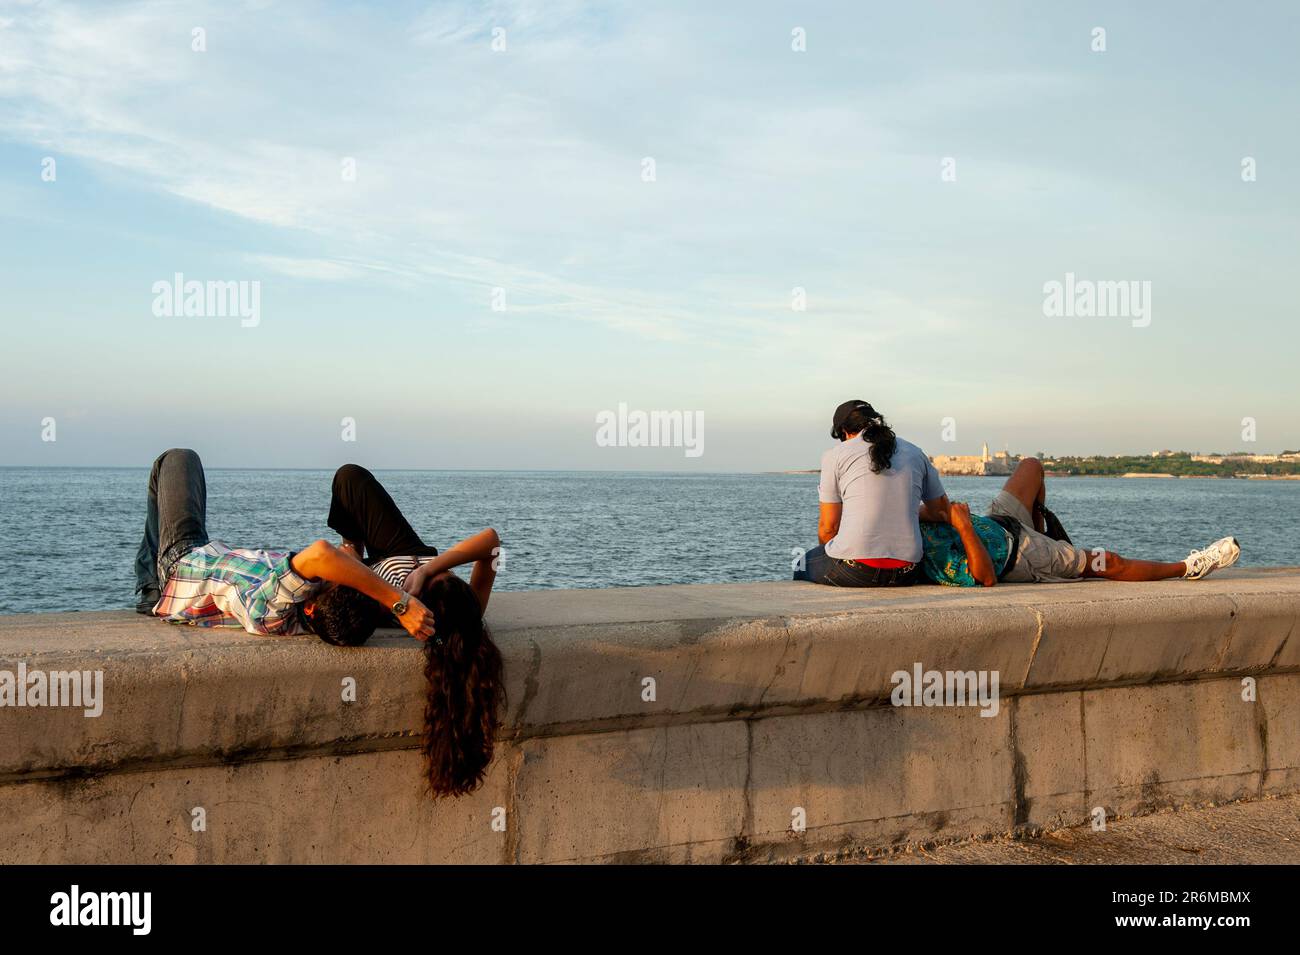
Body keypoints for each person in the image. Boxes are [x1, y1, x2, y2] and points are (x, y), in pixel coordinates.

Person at [325, 463, 505, 797]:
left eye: (441, 578)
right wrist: (428, 570)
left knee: (338, 561)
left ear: (421, 604)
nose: (447, 572)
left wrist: (355, 562)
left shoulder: (409, 614)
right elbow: (491, 542)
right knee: (350, 476)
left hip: (377, 577)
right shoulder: (470, 612)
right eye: (451, 576)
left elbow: (336, 576)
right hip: (402, 550)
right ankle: (355, 548)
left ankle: (354, 548)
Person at [134, 449, 435, 646]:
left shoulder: (272, 611)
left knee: (178, 459)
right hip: (206, 557)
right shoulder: (325, 615)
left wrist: (400, 602)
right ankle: (149, 590)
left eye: (330, 582)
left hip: (183, 564)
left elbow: (322, 553)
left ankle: (153, 586)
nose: (333, 575)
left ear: (310, 604)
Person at [919, 458, 1241, 586]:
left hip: (1000, 523)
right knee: (1106, 562)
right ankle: (1189, 567)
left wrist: (938, 513)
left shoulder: (902, 516)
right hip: (1018, 555)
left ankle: (1044, 538)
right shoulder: (929, 559)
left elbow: (940, 509)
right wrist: (961, 525)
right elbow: (985, 578)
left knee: (1031, 466)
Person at [794, 399, 949, 587]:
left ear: (844, 432)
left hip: (855, 571)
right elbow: (941, 511)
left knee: (801, 564)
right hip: (907, 571)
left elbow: (829, 527)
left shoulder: (835, 455)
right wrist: (909, 511)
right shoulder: (915, 453)